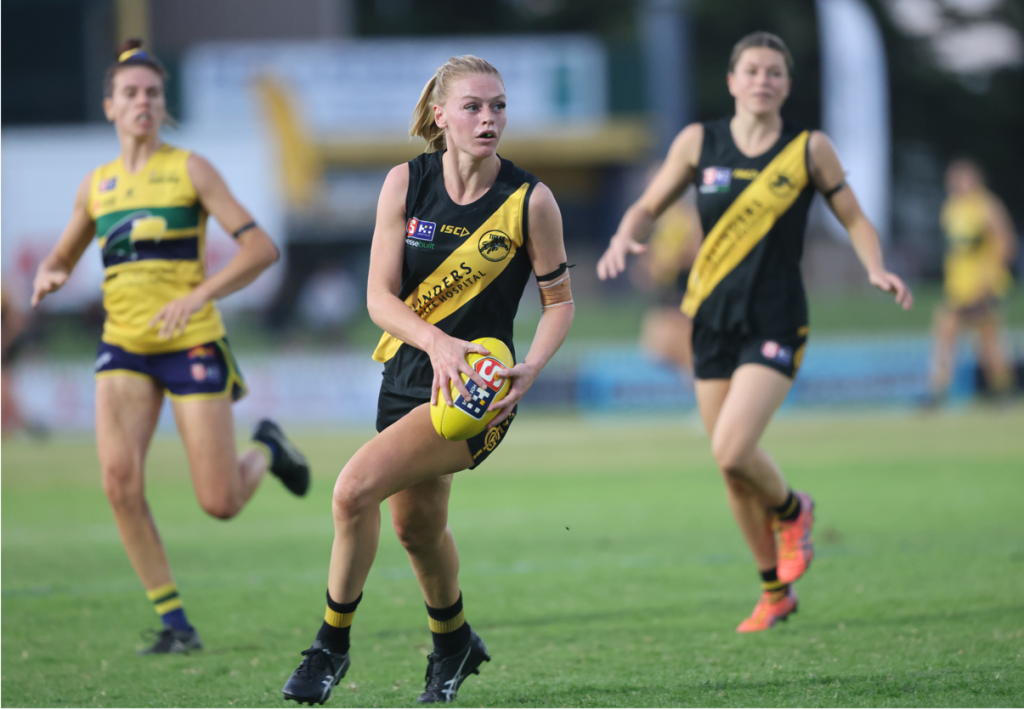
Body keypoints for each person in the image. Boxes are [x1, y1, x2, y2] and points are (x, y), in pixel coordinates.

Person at [281, 55, 574, 705]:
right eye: (473, 107)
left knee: (352, 491)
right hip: (407, 374)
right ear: (440, 116)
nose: (489, 119)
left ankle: (330, 647)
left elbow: (560, 302)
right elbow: (378, 299)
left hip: (476, 393)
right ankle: (454, 643)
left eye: (498, 106)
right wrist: (436, 343)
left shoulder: (531, 200)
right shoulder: (405, 183)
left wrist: (530, 367)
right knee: (416, 528)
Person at [597, 32, 912, 633]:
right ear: (732, 81)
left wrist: (875, 266)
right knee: (731, 469)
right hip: (709, 320)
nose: (762, 80)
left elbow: (854, 217)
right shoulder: (700, 141)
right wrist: (623, 236)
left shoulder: (808, 149)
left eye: (774, 72)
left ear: (786, 86)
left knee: (732, 449)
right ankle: (774, 591)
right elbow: (649, 204)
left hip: (775, 320)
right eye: (752, 70)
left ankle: (793, 510)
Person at [31, 39, 311, 655]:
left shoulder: (191, 170)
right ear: (110, 106)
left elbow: (261, 248)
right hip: (124, 346)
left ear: (163, 106)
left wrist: (200, 294)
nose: (143, 102)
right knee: (118, 482)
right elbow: (63, 255)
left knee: (220, 502)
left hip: (191, 342)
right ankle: (176, 625)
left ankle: (267, 447)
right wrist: (50, 272)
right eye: (130, 93)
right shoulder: (97, 186)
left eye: (153, 93)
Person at [926, 158, 1018, 404]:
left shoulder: (987, 207)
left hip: (984, 287)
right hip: (959, 289)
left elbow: (1006, 245)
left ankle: (999, 389)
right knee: (957, 334)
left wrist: (988, 283)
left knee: (986, 340)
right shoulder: (951, 209)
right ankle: (999, 390)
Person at [630, 187, 702, 380]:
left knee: (689, 363)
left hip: (684, 306)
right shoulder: (661, 224)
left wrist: (673, 258)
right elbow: (644, 275)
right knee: (655, 347)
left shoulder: (690, 220)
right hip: (666, 304)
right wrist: (653, 263)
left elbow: (695, 253)